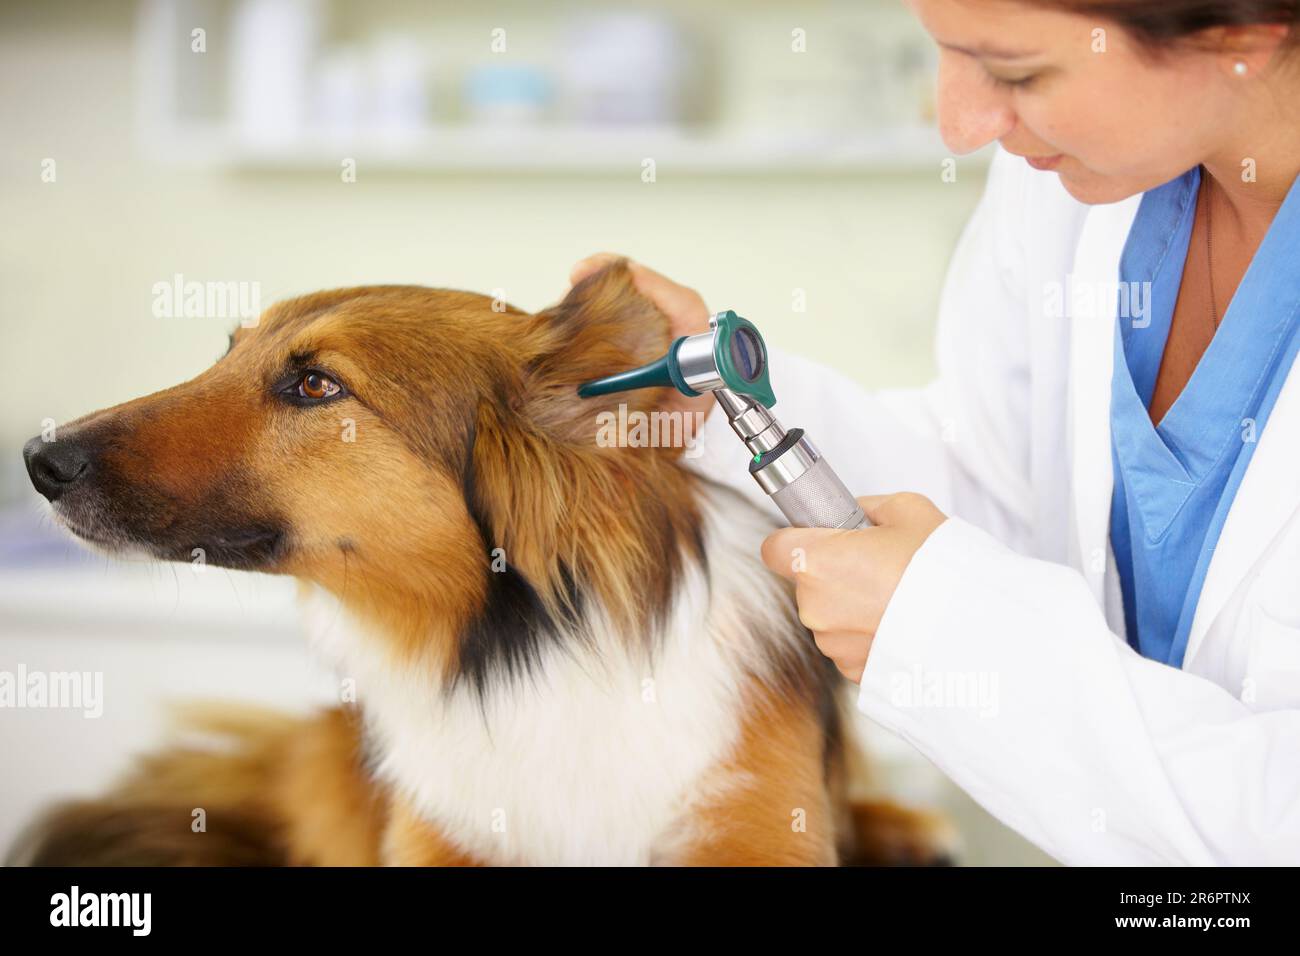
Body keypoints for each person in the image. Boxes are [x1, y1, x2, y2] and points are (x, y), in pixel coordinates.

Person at [570, 0, 1300, 865]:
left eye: (1019, 72)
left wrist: (951, 641)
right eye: (944, 54)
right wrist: (722, 413)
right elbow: (996, 480)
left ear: (1244, 34)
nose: (960, 126)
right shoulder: (1069, 181)